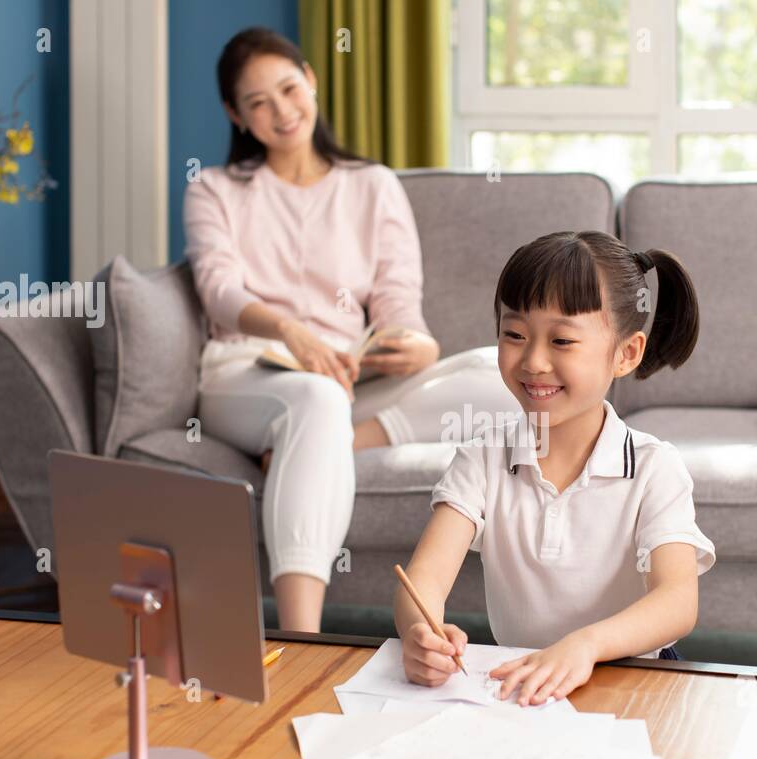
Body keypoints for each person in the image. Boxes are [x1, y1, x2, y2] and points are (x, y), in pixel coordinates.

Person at [184, 28, 518, 631]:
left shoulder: (371, 185)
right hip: (253, 370)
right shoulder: (215, 189)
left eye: (289, 89)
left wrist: (415, 346)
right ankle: (302, 635)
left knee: (505, 373)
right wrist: (291, 332)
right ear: (236, 114)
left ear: (311, 80)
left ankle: (338, 436)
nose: (282, 111)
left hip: (349, 377)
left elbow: (397, 302)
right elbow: (219, 290)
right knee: (315, 396)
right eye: (258, 102)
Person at [393, 231, 716, 705]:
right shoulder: (481, 458)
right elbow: (424, 577)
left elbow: (676, 603)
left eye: (562, 340)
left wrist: (585, 645)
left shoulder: (654, 468)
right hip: (524, 687)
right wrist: (419, 631)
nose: (533, 360)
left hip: (632, 682)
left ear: (626, 353)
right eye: (514, 334)